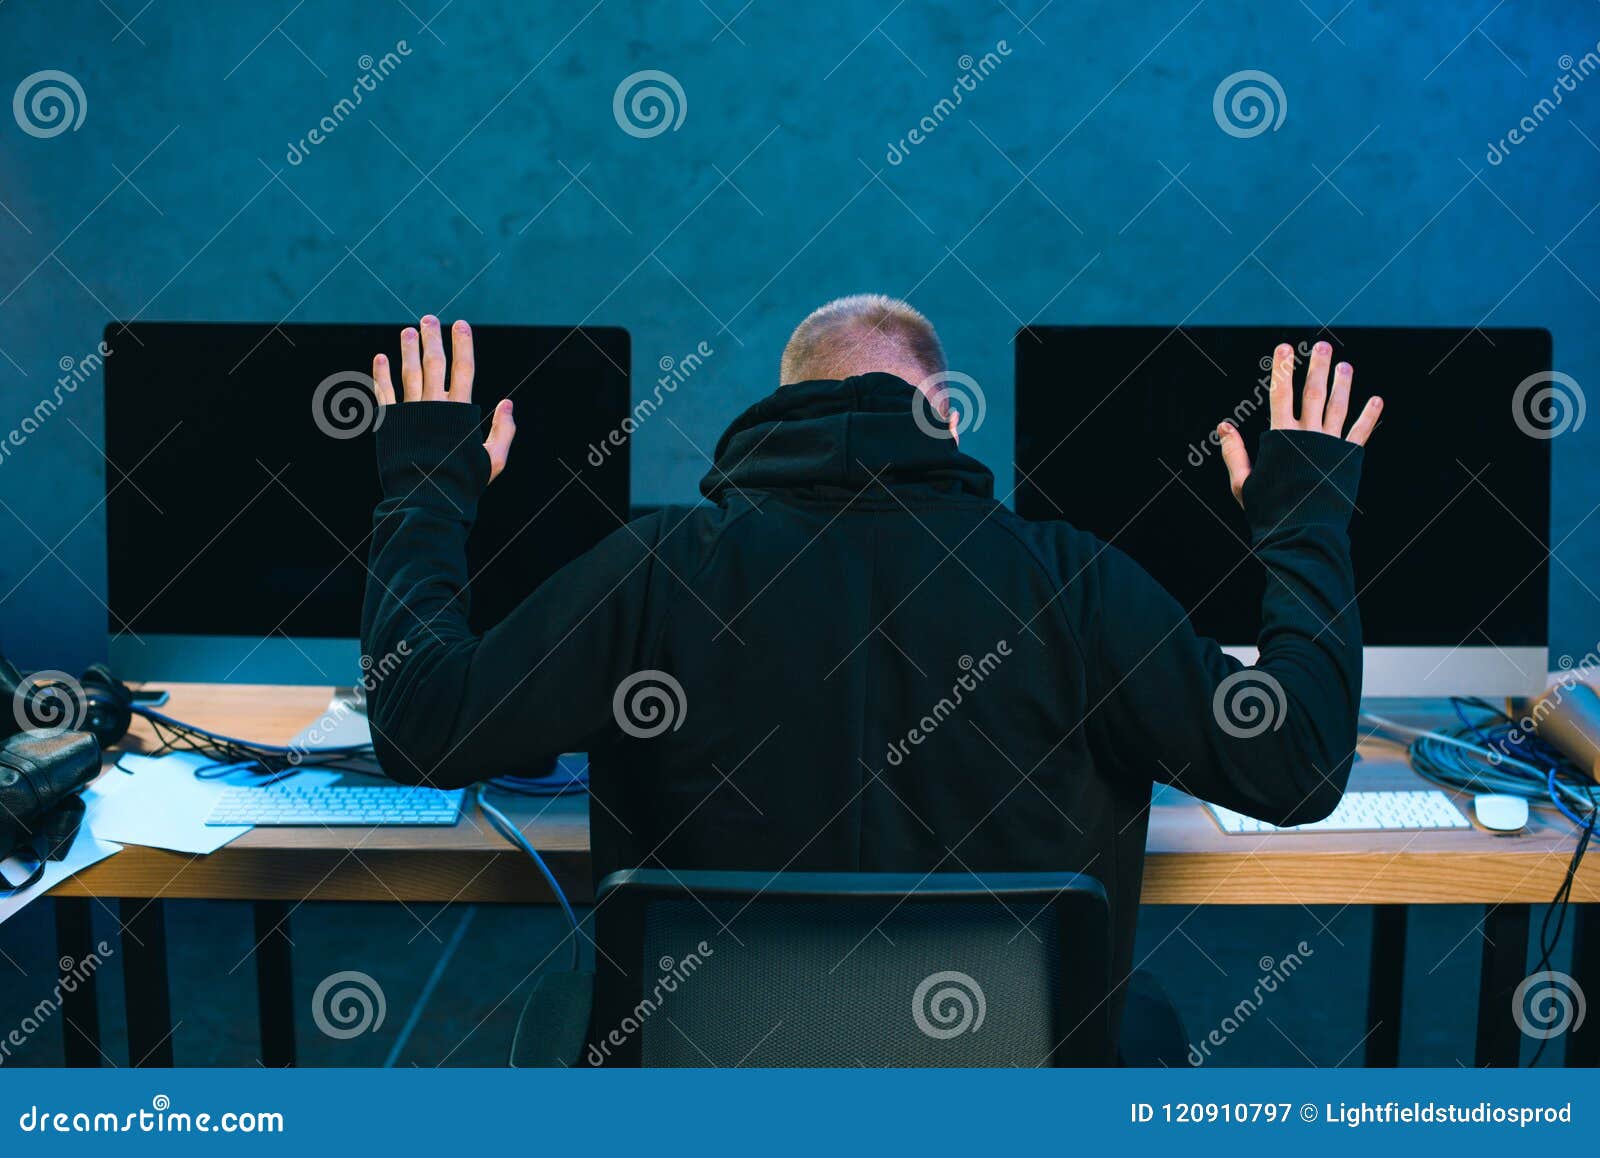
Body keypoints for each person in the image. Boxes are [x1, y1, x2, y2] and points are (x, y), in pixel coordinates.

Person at [359, 299, 1382, 1062]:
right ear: (940, 415)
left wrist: (425, 484)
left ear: (780, 406)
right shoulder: (1072, 585)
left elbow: (420, 724)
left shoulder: (655, 572)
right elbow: (1295, 766)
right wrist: (1303, 519)